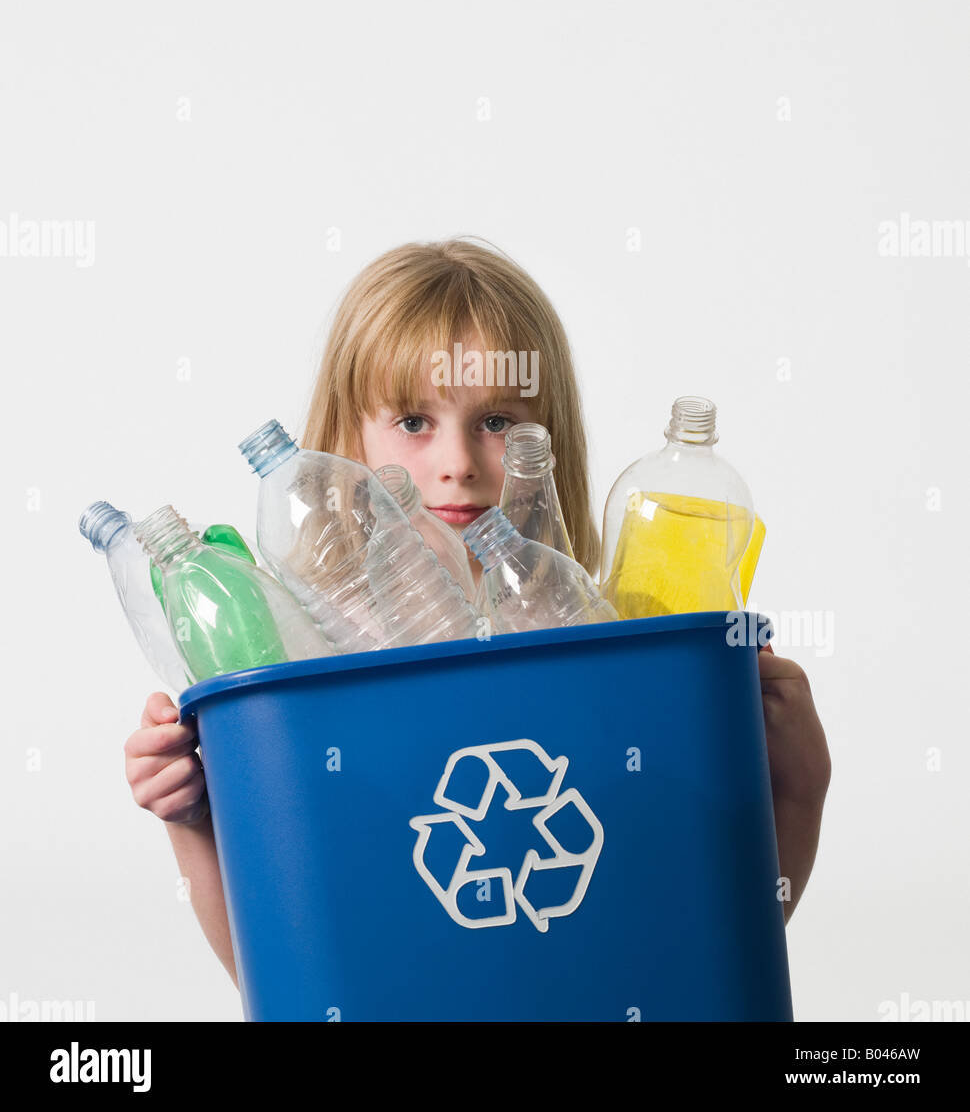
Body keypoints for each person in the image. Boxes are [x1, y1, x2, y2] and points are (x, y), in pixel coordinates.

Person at [123, 237, 831, 989]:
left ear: (544, 443)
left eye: (495, 421)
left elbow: (693, 942)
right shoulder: (310, 670)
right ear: (342, 444)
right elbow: (292, 970)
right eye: (414, 422)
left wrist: (797, 780)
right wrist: (195, 819)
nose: (457, 460)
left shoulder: (599, 643)